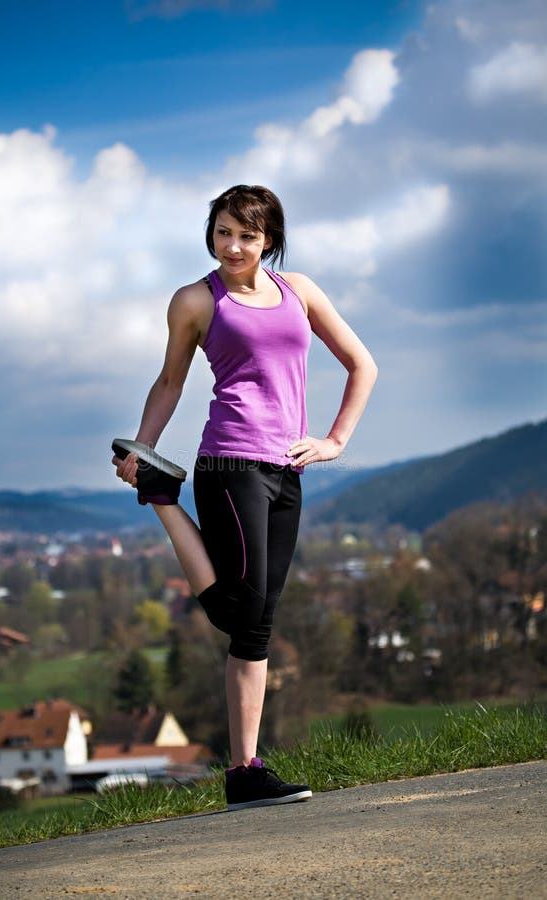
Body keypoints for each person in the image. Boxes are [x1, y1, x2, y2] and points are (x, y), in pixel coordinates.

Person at [112, 184, 378, 810]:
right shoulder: (195, 301)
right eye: (223, 232)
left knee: (256, 622)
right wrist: (142, 446)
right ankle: (161, 493)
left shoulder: (300, 292)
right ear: (211, 233)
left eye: (248, 235)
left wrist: (336, 439)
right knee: (243, 607)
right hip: (229, 461)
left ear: (269, 241)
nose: (233, 246)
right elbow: (171, 380)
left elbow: (361, 363)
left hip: (287, 469)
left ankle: (244, 773)